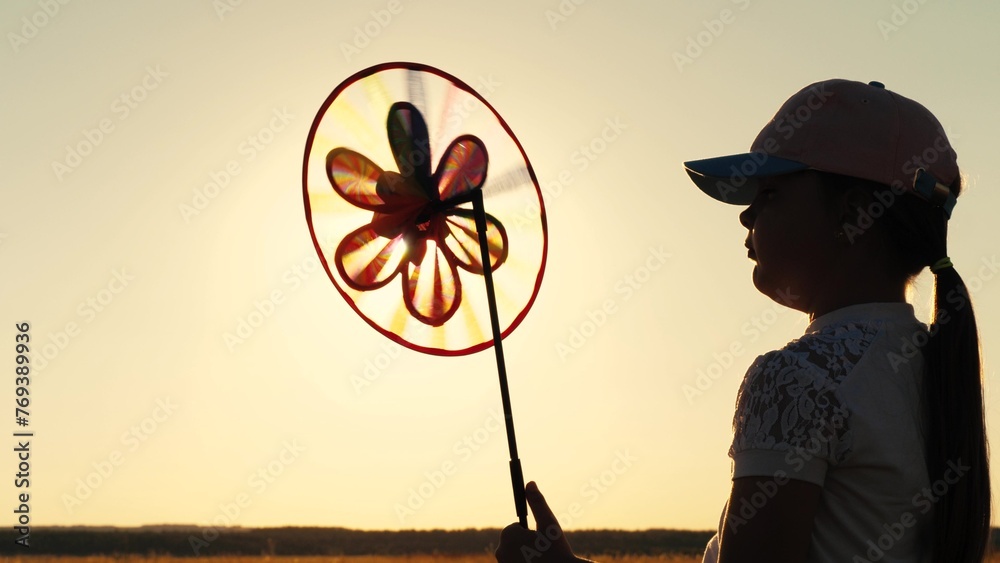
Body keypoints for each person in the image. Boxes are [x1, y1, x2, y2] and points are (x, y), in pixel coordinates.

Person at [494, 79, 991, 563]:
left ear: (854, 213)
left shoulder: (797, 380)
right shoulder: (935, 366)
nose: (746, 216)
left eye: (770, 194)